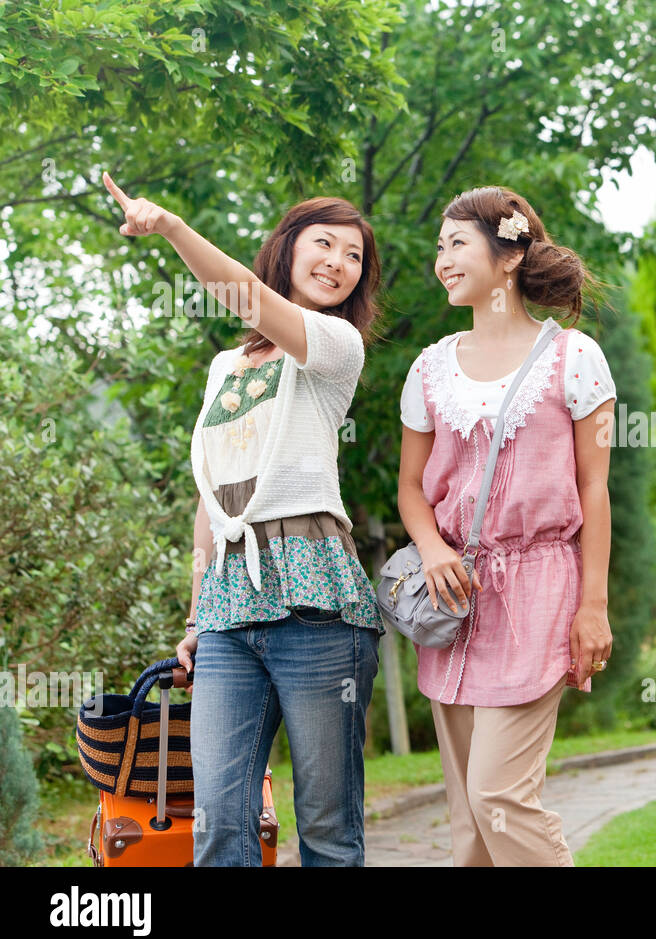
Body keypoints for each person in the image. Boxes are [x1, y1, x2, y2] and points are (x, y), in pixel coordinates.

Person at [101, 172, 384, 866]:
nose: (338, 264)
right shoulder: (227, 365)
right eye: (324, 244)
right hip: (230, 605)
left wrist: (170, 226)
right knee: (221, 821)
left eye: (354, 257)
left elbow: (243, 295)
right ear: (287, 249)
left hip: (318, 602)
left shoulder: (334, 348)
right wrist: (198, 613)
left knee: (326, 828)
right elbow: (213, 497)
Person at [396, 185, 615, 866]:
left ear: (510, 253)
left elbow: (594, 488)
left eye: (457, 242)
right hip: (453, 599)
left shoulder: (575, 358)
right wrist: (431, 549)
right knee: (469, 827)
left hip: (540, 590)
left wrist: (594, 606)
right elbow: (409, 488)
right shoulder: (430, 367)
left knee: (498, 795)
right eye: (440, 246)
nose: (443, 259)